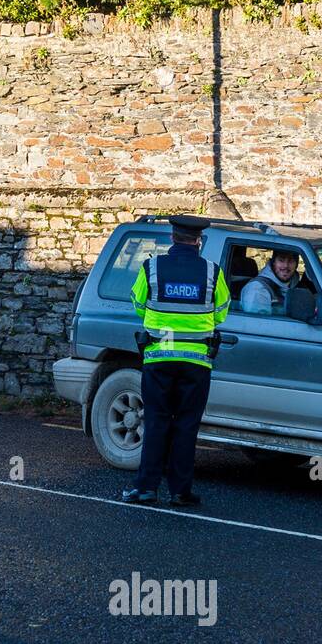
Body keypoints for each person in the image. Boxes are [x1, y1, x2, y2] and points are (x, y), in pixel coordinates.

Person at [121, 214, 230, 508]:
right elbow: (221, 312)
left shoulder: (152, 267)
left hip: (158, 358)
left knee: (156, 422)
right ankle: (180, 492)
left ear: (172, 238)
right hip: (197, 362)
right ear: (199, 241)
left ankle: (146, 489)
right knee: (186, 425)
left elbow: (138, 304)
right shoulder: (213, 272)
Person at [242, 249, 300, 315]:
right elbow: (257, 323)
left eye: (291, 261)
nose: (286, 266)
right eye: (281, 260)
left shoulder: (296, 286)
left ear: (296, 265)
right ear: (273, 262)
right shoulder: (258, 290)